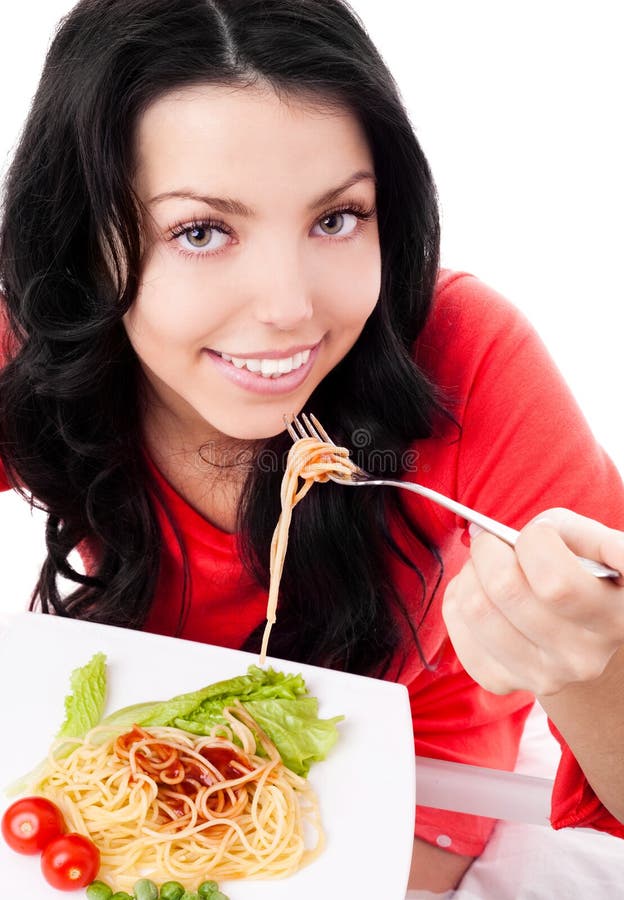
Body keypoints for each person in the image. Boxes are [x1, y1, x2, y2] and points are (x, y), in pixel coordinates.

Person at [0, 0, 622, 893]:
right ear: (84, 246)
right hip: (145, 721)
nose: (290, 306)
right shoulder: (38, 338)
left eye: (336, 219)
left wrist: (593, 664)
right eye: (201, 231)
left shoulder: (471, 361)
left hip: (418, 758)